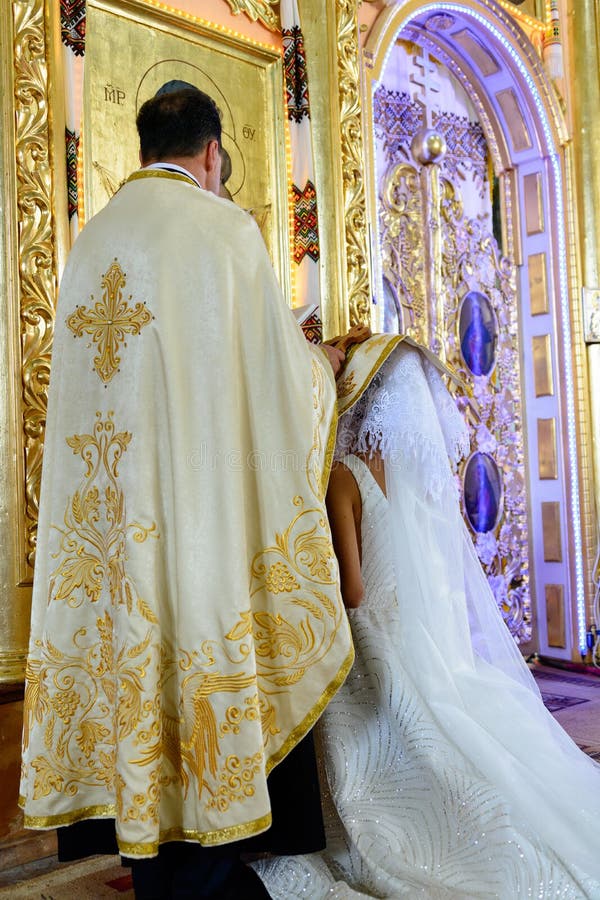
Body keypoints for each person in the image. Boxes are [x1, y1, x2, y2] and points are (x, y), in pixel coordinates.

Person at [18, 86, 354, 898]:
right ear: (212, 156)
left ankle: (148, 852)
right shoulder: (225, 231)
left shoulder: (90, 245)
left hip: (107, 551)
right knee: (203, 700)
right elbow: (278, 385)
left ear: (144, 149)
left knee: (136, 700)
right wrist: (327, 369)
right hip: (195, 540)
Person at [254, 334, 600, 899]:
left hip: (373, 644)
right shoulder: (419, 478)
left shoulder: (342, 476)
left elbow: (355, 592)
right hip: (427, 644)